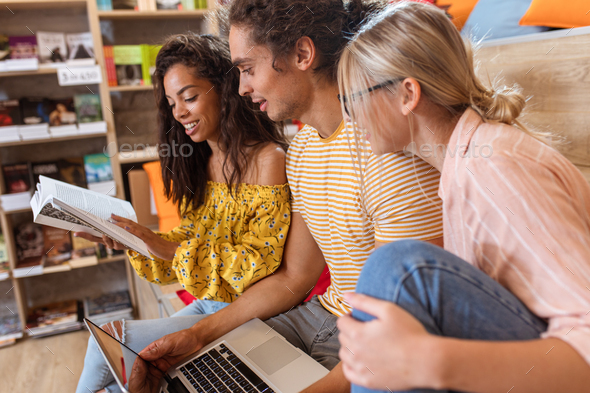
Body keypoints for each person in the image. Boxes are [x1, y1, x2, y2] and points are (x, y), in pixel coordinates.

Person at [131, 1, 444, 392]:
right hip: (316, 317)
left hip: (370, 342)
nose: (241, 87)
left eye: (247, 69)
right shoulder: (302, 151)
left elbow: (397, 331)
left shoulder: (386, 148)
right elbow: (295, 278)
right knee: (183, 377)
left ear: (302, 54)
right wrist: (199, 334)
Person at [335, 2, 590, 392]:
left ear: (407, 95)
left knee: (398, 268)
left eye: (355, 98)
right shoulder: (463, 165)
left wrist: (426, 361)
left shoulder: (493, 170)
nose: (350, 117)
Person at [75, 33, 291, 393]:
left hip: (243, 314)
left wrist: (166, 249)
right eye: (172, 102)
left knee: (107, 345)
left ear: (226, 88)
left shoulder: (270, 160)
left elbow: (259, 264)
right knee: (115, 382)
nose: (179, 112)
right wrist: (133, 238)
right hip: (209, 303)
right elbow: (194, 239)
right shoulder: (204, 161)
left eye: (189, 97)